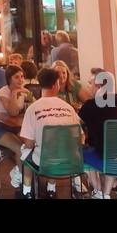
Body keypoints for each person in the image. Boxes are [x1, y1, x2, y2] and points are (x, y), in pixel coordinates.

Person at [17, 67, 82, 198]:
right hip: (70, 161)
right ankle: (51, 188)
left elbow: (29, 143)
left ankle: (26, 191)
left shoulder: (32, 108)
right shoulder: (68, 108)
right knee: (55, 147)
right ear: (55, 84)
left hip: (45, 162)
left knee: (25, 150)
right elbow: (79, 138)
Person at [75, 76, 117, 198]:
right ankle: (105, 194)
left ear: (98, 87)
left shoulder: (90, 105)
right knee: (109, 149)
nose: (87, 87)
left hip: (106, 158)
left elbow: (74, 123)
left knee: (81, 151)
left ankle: (97, 191)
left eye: (90, 83)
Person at [0, 66, 33, 189]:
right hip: (0, 128)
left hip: (16, 127)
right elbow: (13, 112)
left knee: (30, 147)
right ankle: (22, 179)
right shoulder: (3, 92)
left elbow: (35, 106)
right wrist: (15, 93)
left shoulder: (24, 91)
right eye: (16, 77)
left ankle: (19, 173)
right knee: (21, 149)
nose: (20, 80)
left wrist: (30, 97)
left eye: (22, 76)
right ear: (9, 79)